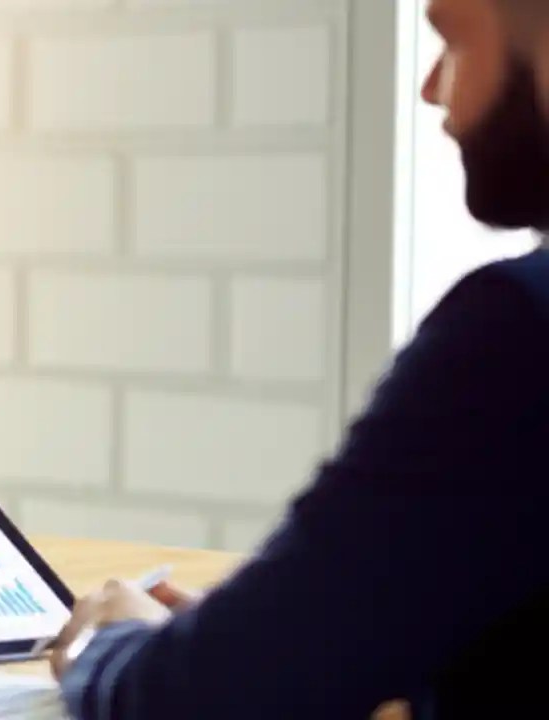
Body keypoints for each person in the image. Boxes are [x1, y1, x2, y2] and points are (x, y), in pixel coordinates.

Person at [50, 0, 549, 717]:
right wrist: (277, 628)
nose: (431, 88)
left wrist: (110, 640)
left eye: (454, 41)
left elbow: (190, 702)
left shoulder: (516, 333)